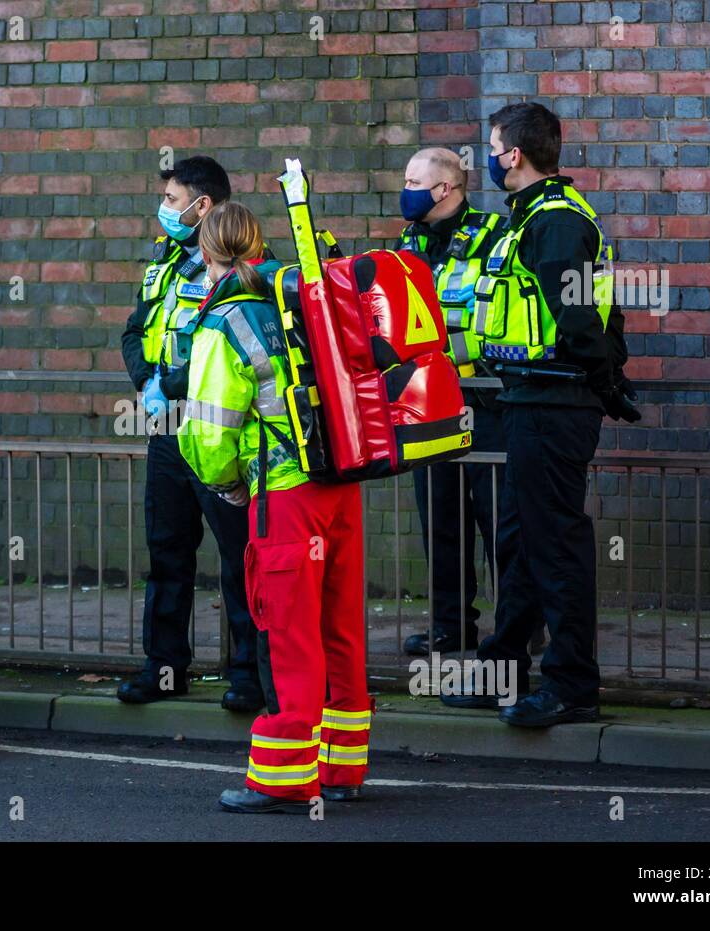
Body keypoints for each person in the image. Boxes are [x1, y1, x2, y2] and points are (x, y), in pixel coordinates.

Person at [443, 102, 636, 726]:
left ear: (514, 155)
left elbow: (583, 319)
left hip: (556, 401)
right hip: (530, 398)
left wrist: (603, 386)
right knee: (522, 541)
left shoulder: (553, 222)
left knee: (555, 546)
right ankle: (504, 667)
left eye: (494, 148)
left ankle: (572, 684)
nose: (492, 158)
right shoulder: (528, 218)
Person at [178, 202, 371, 812]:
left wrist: (230, 486)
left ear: (208, 255)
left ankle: (285, 778)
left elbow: (210, 433)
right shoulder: (303, 303)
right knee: (339, 624)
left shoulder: (226, 321)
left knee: (288, 633)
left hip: (284, 494)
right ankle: (343, 768)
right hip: (340, 483)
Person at [119, 156, 263, 712]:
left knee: (237, 556)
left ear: (203, 206)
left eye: (173, 200)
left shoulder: (247, 264)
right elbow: (135, 330)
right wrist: (147, 379)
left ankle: (249, 673)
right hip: (166, 433)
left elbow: (232, 344)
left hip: (218, 435)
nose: (165, 210)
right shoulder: (163, 263)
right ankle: (163, 668)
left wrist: (173, 382)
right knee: (167, 552)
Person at [395, 147, 516, 658]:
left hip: (485, 400)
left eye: (413, 180)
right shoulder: (409, 242)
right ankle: (451, 627)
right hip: (429, 404)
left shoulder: (494, 234)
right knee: (441, 522)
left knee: (499, 525)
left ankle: (516, 626)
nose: (406, 188)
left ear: (445, 188)